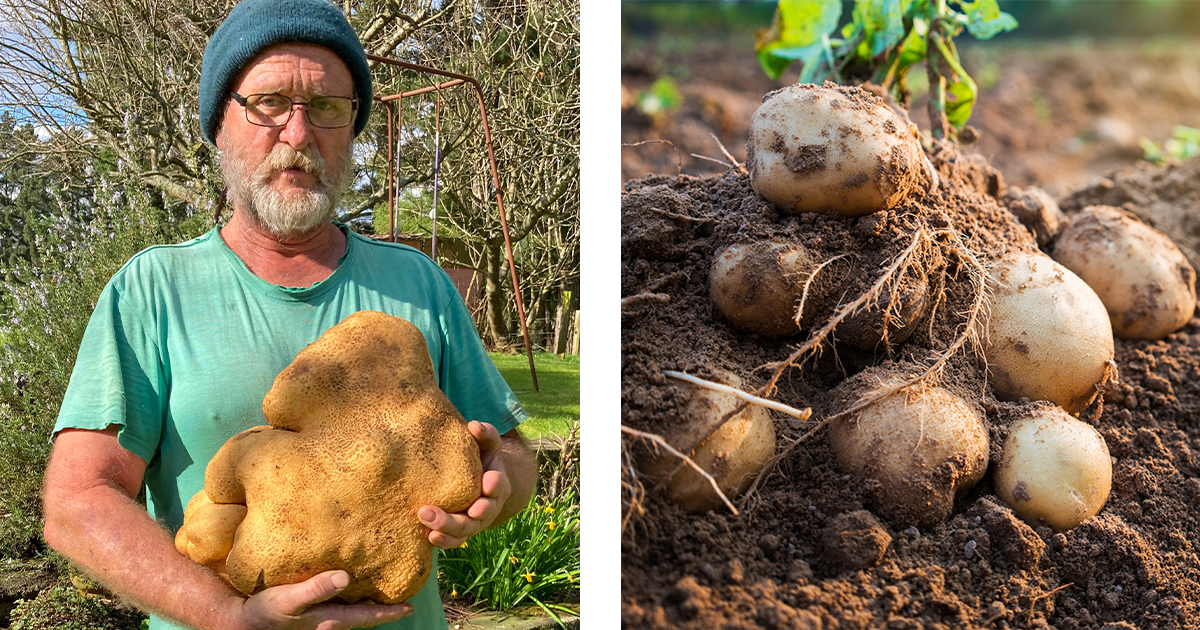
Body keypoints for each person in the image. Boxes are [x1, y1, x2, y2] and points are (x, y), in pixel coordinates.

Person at [40, 0, 538, 628]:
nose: (298, 134)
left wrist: (498, 487)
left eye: (327, 107)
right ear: (220, 123)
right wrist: (228, 614)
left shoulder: (418, 284)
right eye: (268, 102)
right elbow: (77, 502)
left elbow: (514, 452)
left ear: (351, 130)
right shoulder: (151, 290)